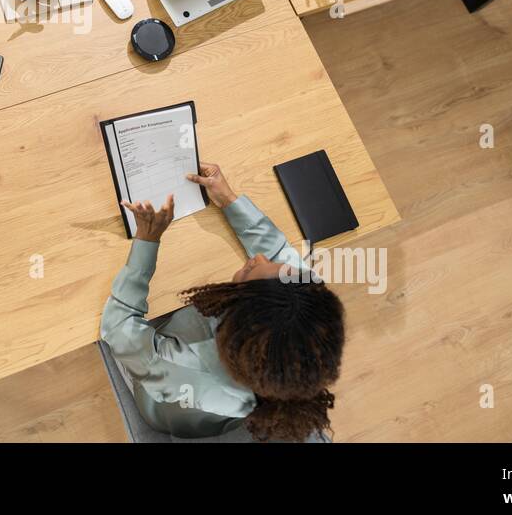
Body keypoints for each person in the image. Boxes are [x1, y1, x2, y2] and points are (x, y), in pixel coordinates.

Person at [101, 162, 345, 441]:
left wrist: (147, 240)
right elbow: (276, 251)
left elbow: (116, 325)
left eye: (251, 271)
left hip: (160, 396)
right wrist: (227, 198)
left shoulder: (186, 368)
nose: (260, 259)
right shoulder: (299, 307)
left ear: (237, 314)